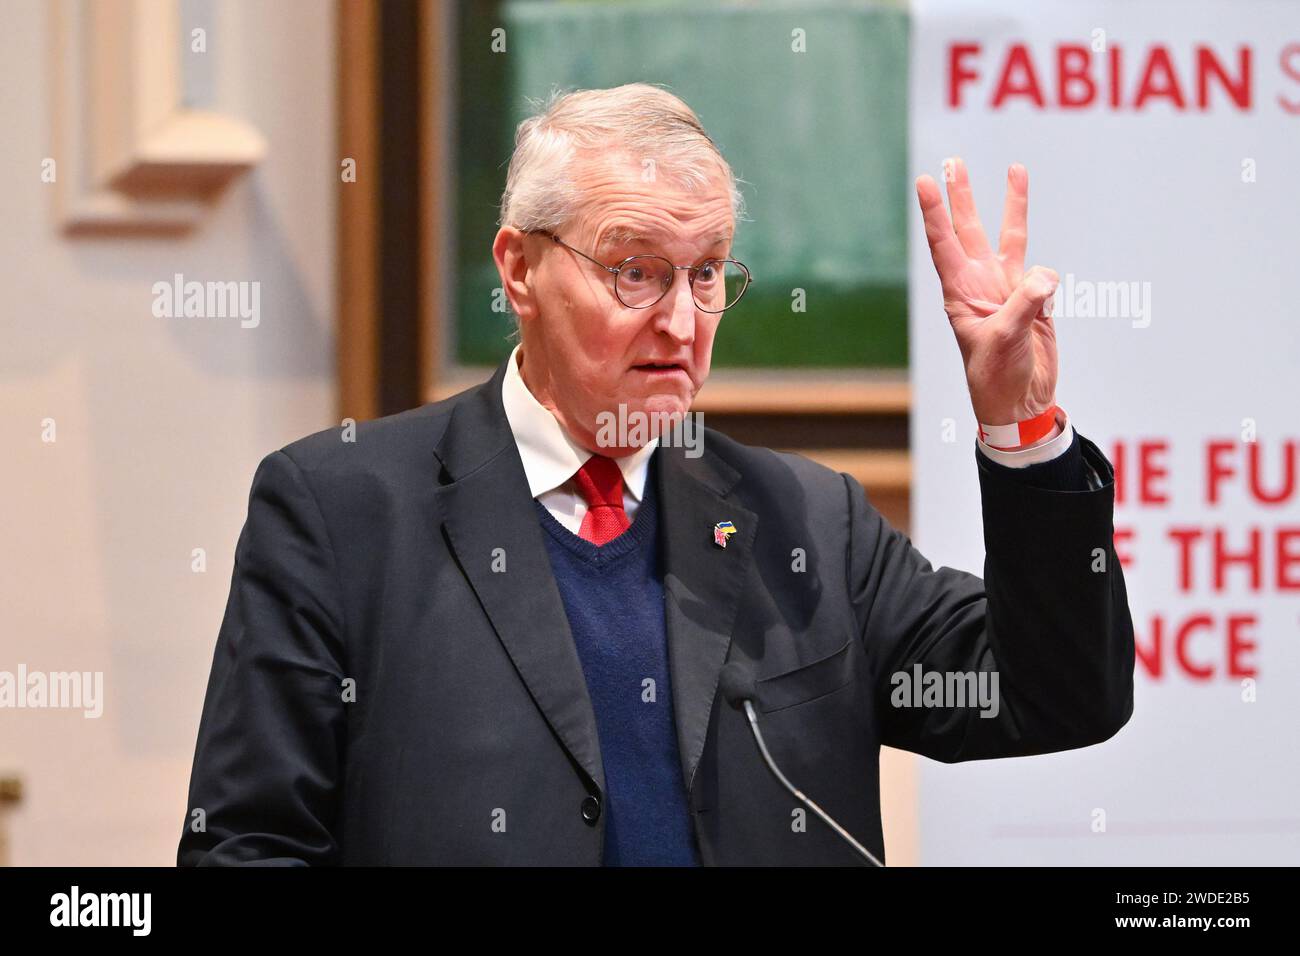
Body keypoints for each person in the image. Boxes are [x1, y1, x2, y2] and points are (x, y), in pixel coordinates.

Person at [178, 83, 1133, 866]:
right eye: (637, 271)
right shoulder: (341, 510)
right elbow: (248, 847)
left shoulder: (808, 522)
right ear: (518, 270)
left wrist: (1023, 427)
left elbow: (1051, 693)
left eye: (708, 271)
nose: (683, 321)